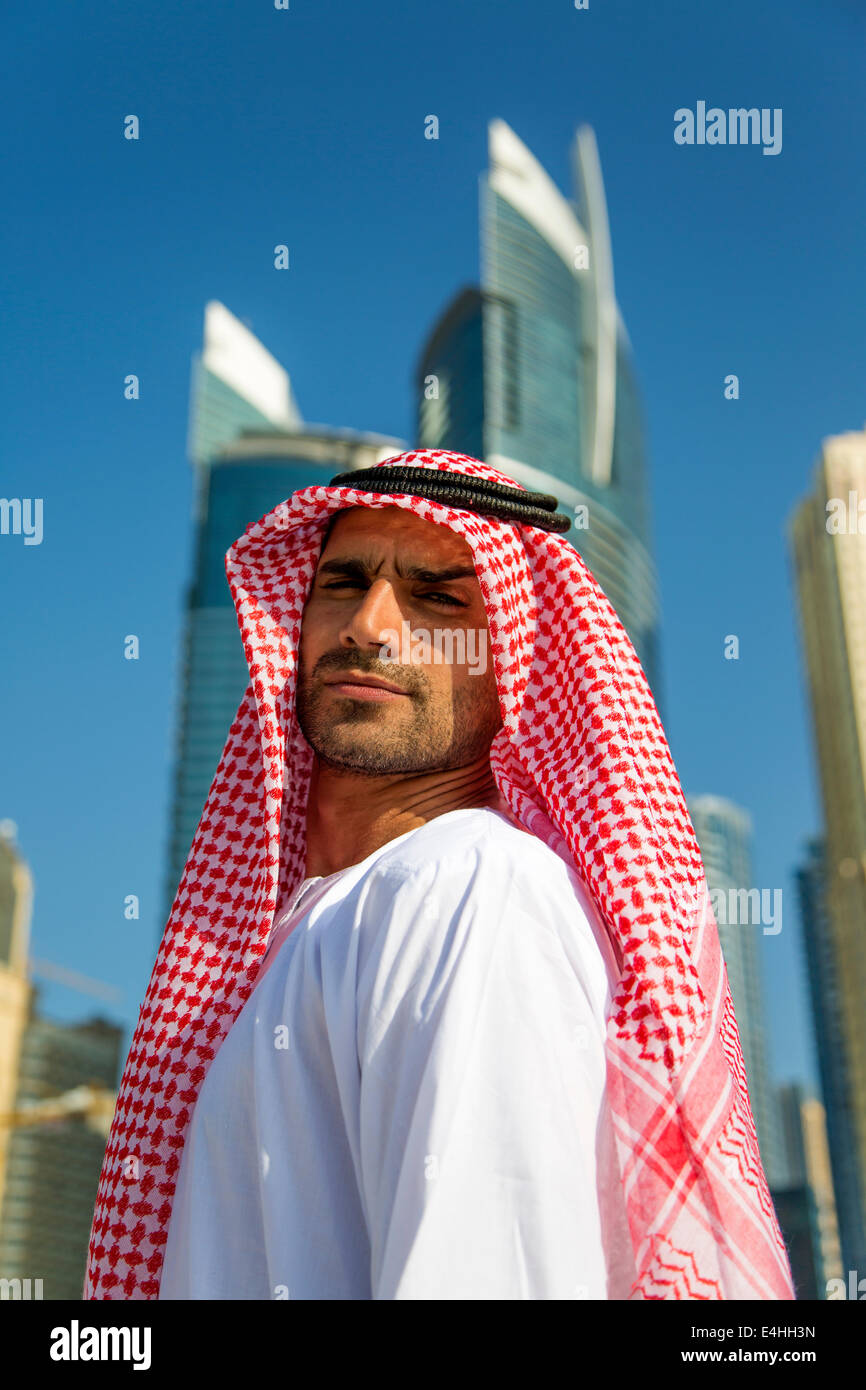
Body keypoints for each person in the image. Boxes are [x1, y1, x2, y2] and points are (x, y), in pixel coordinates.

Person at [85, 449, 796, 1300]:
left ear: (516, 664)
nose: (369, 626)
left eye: (437, 599)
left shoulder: (469, 887)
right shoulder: (313, 926)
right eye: (342, 584)